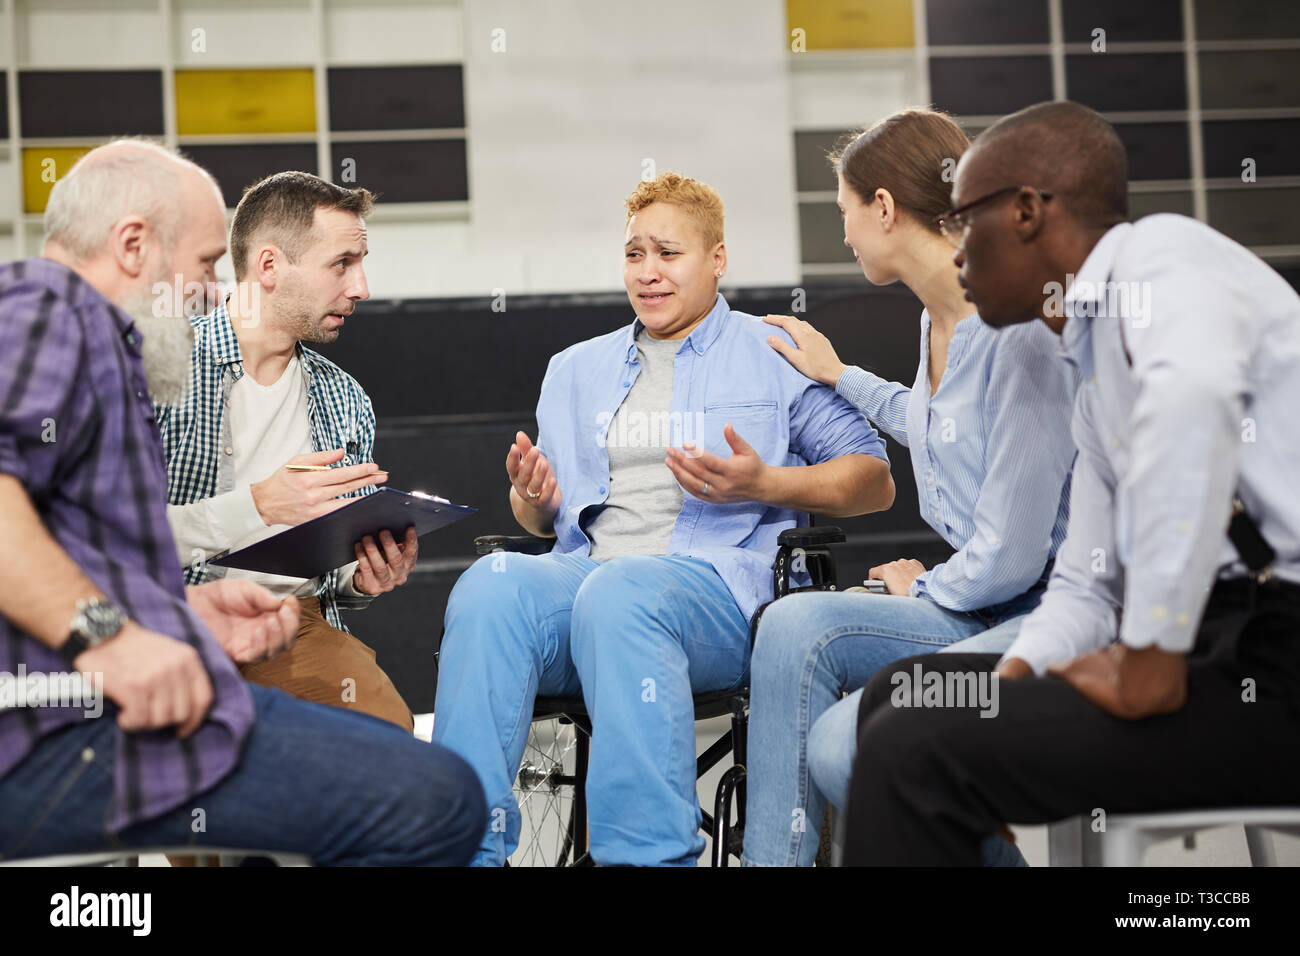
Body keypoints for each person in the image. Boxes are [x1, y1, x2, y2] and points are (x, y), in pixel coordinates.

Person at [0, 140, 484, 865]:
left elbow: (77, 545)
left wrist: (182, 611)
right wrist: (117, 636)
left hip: (224, 640)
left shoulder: (112, 348)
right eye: (201, 265)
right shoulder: (49, 307)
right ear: (133, 244)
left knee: (414, 779)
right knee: (439, 798)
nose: (205, 291)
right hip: (62, 721)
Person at [845, 100, 1300, 865]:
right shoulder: (1089, 372)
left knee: (914, 753)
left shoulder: (1162, 259)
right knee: (907, 695)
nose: (956, 251)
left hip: (1271, 654)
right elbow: (1086, 585)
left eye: (967, 221)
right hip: (1208, 648)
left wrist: (1150, 659)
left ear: (1027, 213)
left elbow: (1193, 411)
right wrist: (1015, 684)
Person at [433, 171, 895, 866]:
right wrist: (534, 497)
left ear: (717, 259)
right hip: (585, 580)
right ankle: (462, 850)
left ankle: (645, 858)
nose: (647, 273)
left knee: (623, 594)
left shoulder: (772, 352)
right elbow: (541, 521)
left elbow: (874, 480)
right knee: (490, 584)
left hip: (715, 593)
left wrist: (767, 481)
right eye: (634, 254)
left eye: (668, 254)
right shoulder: (574, 368)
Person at [741, 108, 1077, 867]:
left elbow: (1013, 553)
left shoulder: (1020, 328)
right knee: (794, 628)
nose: (847, 235)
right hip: (989, 605)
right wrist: (839, 374)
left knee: (849, 745)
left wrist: (924, 590)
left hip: (1059, 613)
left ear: (885, 207)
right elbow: (933, 421)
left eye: (847, 215)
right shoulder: (937, 323)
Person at [156, 171, 415, 731]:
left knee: (393, 749)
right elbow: (111, 541)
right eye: (341, 264)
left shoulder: (345, 398)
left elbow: (335, 569)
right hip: (170, 618)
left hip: (290, 624)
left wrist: (363, 575)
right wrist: (259, 504)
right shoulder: (160, 372)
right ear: (269, 266)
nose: (361, 287)